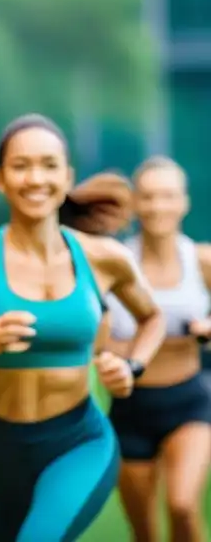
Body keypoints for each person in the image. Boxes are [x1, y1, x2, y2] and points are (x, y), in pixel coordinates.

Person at [0, 113, 166, 542]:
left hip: (79, 441)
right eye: (21, 165)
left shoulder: (104, 258)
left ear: (67, 176)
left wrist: (133, 367)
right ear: (0, 178)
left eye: (49, 165)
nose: (36, 178)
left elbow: (153, 317)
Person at [104, 156, 211, 542]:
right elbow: (99, 343)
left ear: (184, 202)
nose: (157, 207)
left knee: (182, 507)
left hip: (189, 402)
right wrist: (135, 347)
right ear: (133, 204)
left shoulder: (202, 260)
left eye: (167, 196)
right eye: (147, 197)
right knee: (144, 532)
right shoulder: (115, 263)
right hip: (131, 408)